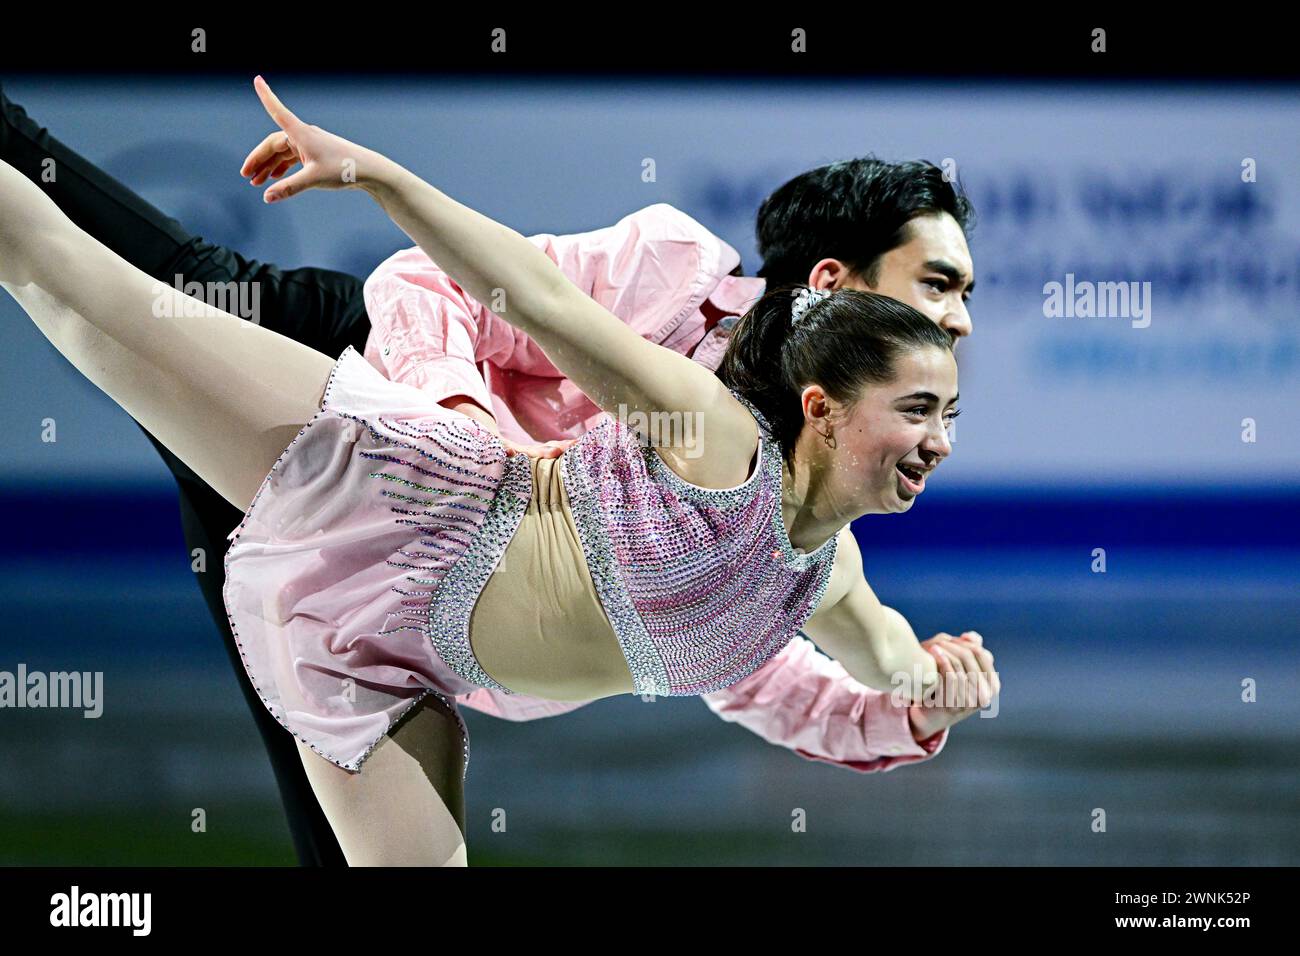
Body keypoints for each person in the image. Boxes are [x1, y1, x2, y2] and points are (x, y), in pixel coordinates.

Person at [0, 77, 994, 866]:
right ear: (833, 318)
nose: (955, 322)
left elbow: (840, 662)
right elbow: (517, 294)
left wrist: (925, 694)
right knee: (80, 273)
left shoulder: (816, 570)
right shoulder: (701, 377)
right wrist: (381, 187)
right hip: (385, 451)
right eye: (936, 291)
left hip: (406, 651)